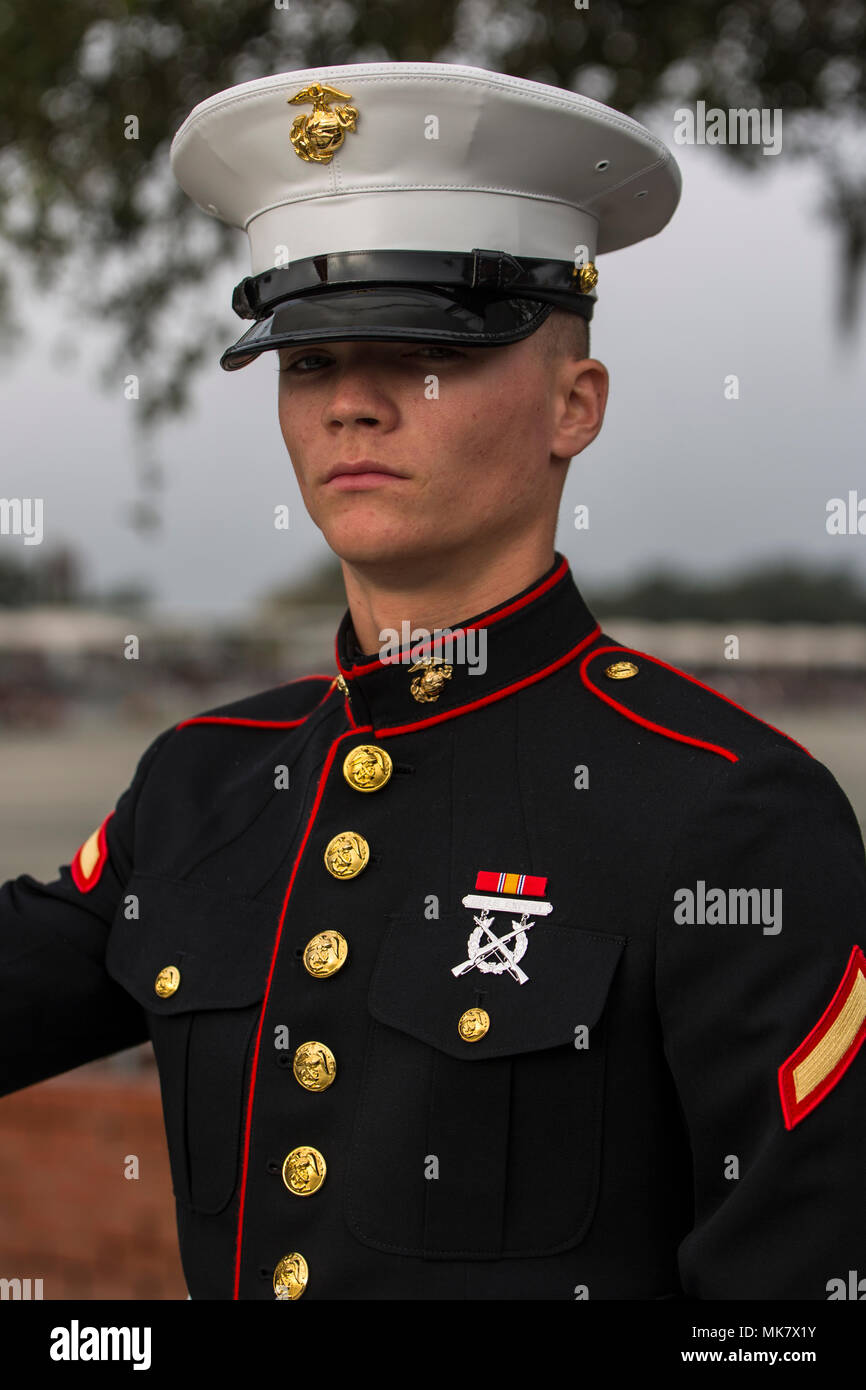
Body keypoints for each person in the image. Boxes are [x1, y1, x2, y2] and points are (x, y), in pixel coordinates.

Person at [1, 61, 864, 1302]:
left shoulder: (728, 817)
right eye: (305, 360)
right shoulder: (200, 782)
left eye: (421, 355)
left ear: (575, 404)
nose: (351, 402)